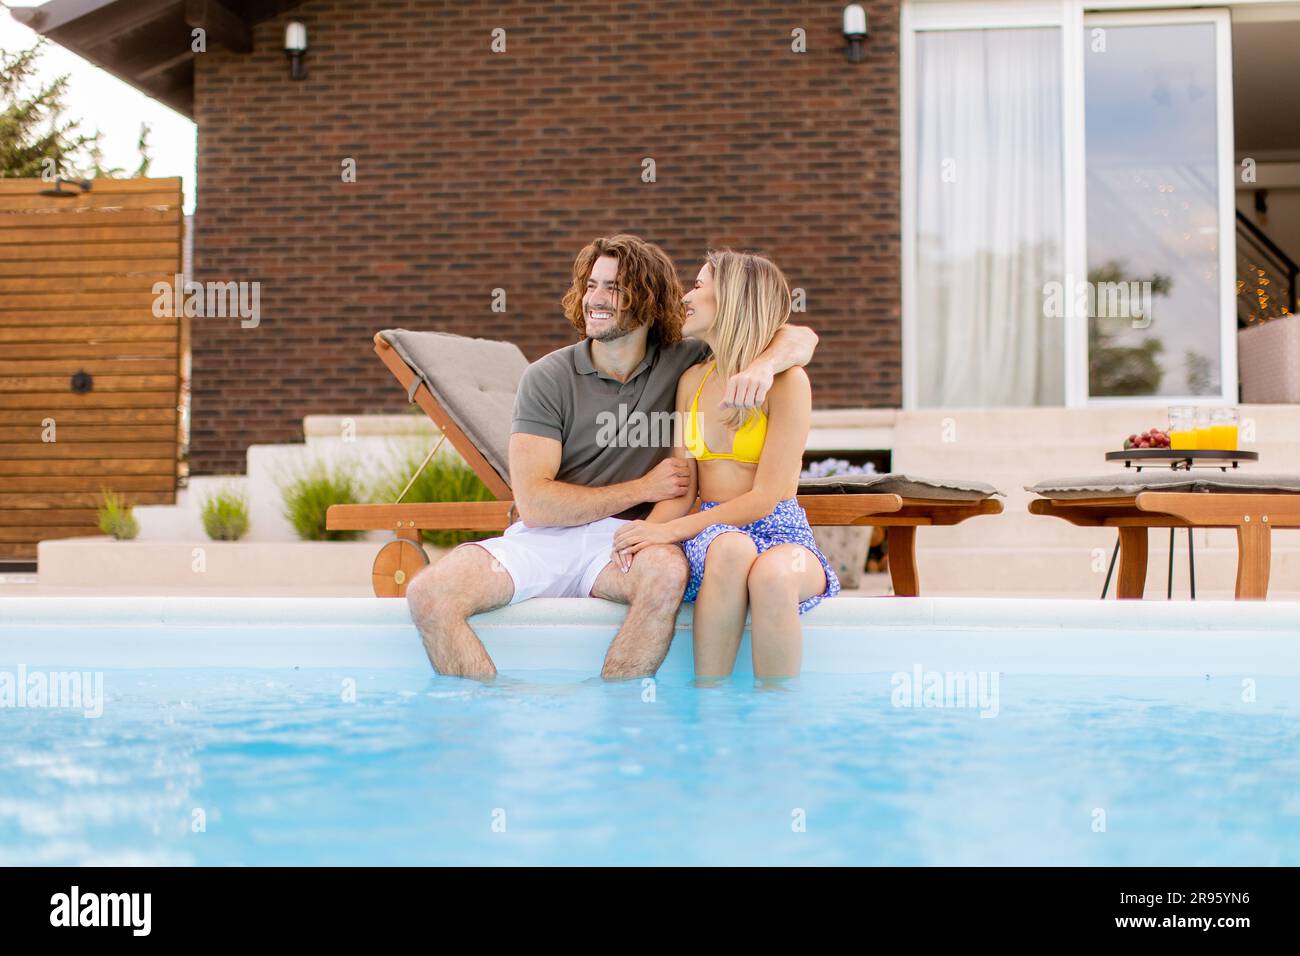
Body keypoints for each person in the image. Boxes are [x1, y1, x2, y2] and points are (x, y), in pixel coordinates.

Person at [407, 235, 819, 680]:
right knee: (429, 594)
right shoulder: (548, 377)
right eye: (591, 286)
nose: (595, 300)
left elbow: (795, 334)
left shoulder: (686, 359)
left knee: (665, 576)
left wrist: (764, 366)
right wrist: (645, 490)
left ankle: (619, 722)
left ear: (648, 300)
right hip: (545, 539)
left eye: (614, 288)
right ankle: (499, 714)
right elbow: (537, 506)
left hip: (628, 540)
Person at [610, 250, 839, 679]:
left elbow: (766, 498)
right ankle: (710, 705)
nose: (685, 295)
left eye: (698, 285)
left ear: (733, 298)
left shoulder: (787, 383)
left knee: (774, 577)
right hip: (710, 532)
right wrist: (644, 537)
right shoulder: (692, 382)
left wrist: (667, 531)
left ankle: (774, 721)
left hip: (781, 528)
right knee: (733, 547)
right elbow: (684, 487)